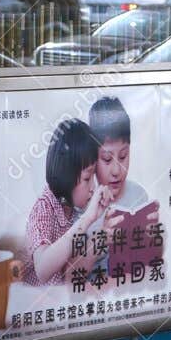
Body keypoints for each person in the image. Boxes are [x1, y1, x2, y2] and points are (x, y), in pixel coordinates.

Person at [23, 118, 122, 286]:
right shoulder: (44, 208)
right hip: (38, 305)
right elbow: (42, 269)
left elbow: (72, 276)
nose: (93, 187)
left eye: (93, 177)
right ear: (66, 175)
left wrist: (102, 236)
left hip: (63, 303)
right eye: (87, 178)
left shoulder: (73, 211)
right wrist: (87, 220)